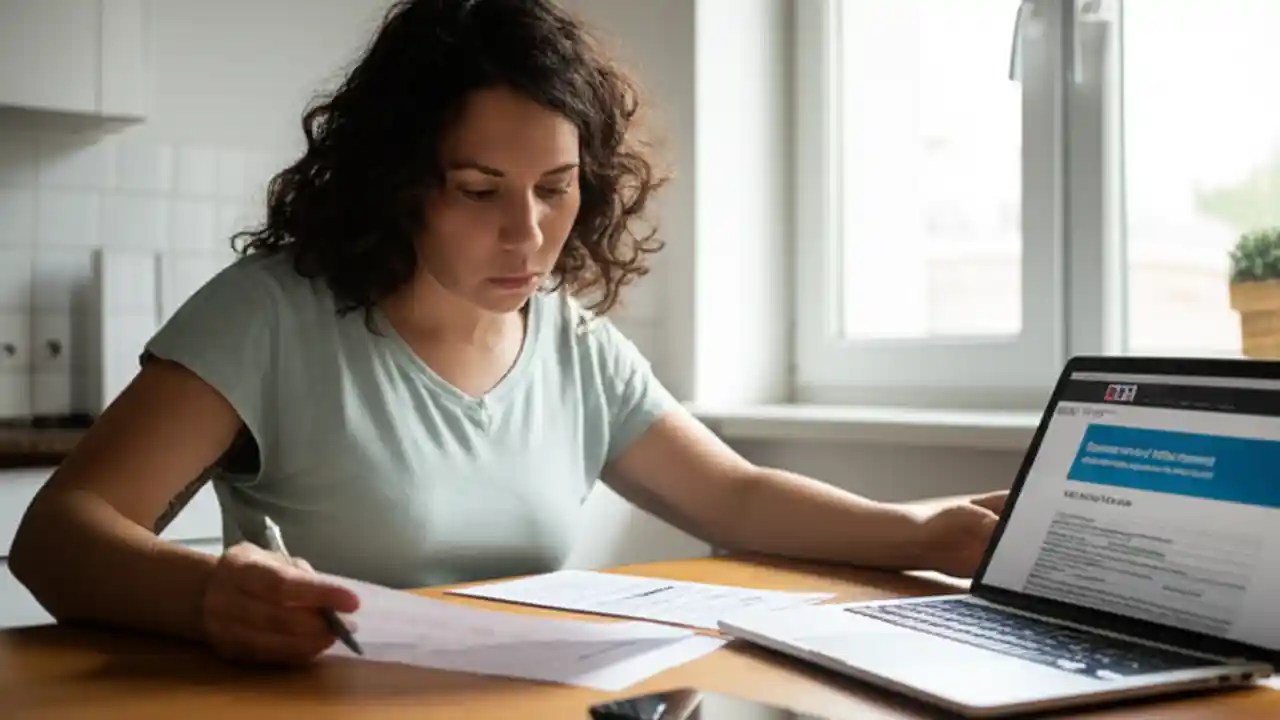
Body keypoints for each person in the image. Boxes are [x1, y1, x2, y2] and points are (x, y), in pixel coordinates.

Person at [11, 0, 1008, 666]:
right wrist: (206, 596)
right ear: (398, 182)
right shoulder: (270, 311)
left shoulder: (571, 342)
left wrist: (920, 532)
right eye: (479, 190)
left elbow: (734, 498)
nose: (527, 233)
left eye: (555, 188)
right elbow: (57, 536)